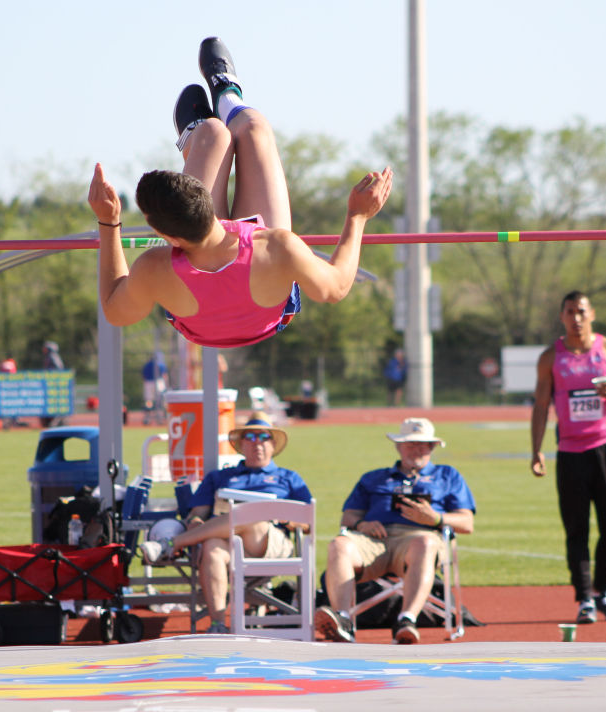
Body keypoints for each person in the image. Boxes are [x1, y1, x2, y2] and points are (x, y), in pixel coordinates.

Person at [88, 37, 394, 349]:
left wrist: (109, 223)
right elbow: (335, 288)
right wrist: (357, 217)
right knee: (253, 129)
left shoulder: (154, 268)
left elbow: (115, 310)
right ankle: (226, 96)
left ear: (169, 239)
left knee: (217, 133)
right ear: (208, 202)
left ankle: (199, 138)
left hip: (200, 312)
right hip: (264, 310)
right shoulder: (276, 248)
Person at [140, 411, 312, 634]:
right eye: (250, 437)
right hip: (227, 542)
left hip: (269, 542)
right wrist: (195, 523)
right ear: (241, 444)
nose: (257, 443)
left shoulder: (289, 478)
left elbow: (308, 523)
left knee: (251, 515)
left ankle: (171, 544)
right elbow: (197, 515)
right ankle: (217, 624)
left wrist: (288, 519)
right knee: (211, 547)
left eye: (264, 437)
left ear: (273, 444)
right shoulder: (219, 477)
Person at [316, 417, 475, 645]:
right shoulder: (374, 478)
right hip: (373, 540)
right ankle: (342, 620)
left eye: (423, 444)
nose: (416, 449)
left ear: (432, 447)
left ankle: (406, 620)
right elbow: (348, 517)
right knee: (339, 544)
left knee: (425, 543)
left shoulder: (447, 476)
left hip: (417, 541)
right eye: (411, 444)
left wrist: (435, 518)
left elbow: (467, 523)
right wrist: (362, 525)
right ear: (399, 446)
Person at [530, 291, 606, 625]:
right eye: (570, 312)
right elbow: (540, 406)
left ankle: (602, 591)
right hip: (570, 453)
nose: (576, 318)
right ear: (561, 316)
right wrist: (536, 449)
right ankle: (585, 597)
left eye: (581, 311)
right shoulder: (551, 357)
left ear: (592, 314)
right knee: (576, 529)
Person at [141, 352, 168, 425]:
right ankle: (162, 416)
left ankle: (148, 417)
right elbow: (164, 376)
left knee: (149, 400)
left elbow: (143, 376)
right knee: (161, 400)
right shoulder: (161, 365)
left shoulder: (147, 365)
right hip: (159, 382)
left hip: (149, 383)